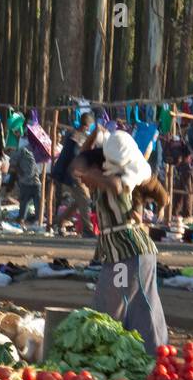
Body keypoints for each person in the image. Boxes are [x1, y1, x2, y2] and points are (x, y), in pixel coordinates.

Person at [71, 133, 169, 353]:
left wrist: (94, 176)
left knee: (129, 300)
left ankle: (155, 354)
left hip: (130, 254)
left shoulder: (125, 177)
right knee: (119, 300)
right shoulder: (103, 175)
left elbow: (119, 186)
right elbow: (78, 164)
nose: (83, 180)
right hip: (118, 254)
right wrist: (94, 138)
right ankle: (124, 350)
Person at [53, 112, 95, 235]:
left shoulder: (77, 135)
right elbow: (75, 155)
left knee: (78, 201)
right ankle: (87, 229)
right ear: (87, 125)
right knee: (85, 200)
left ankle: (60, 221)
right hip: (74, 174)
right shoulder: (77, 136)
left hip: (74, 174)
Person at [10, 133, 43, 228]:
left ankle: (38, 222)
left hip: (37, 181)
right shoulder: (23, 150)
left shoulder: (40, 151)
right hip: (25, 182)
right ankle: (21, 222)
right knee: (24, 203)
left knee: (38, 204)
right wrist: (19, 171)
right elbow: (13, 161)